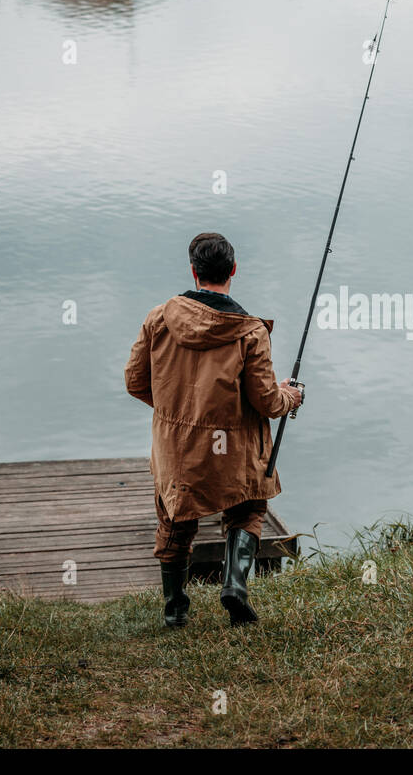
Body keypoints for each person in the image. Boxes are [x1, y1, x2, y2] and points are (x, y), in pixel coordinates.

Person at [124, 232, 304, 627]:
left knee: (174, 520)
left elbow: (135, 381)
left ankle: (175, 612)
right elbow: (266, 402)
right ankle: (234, 587)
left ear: (193, 271)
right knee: (250, 507)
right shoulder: (250, 332)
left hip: (178, 448)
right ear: (233, 271)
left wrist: (177, 410)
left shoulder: (159, 318)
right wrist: (290, 397)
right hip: (232, 450)